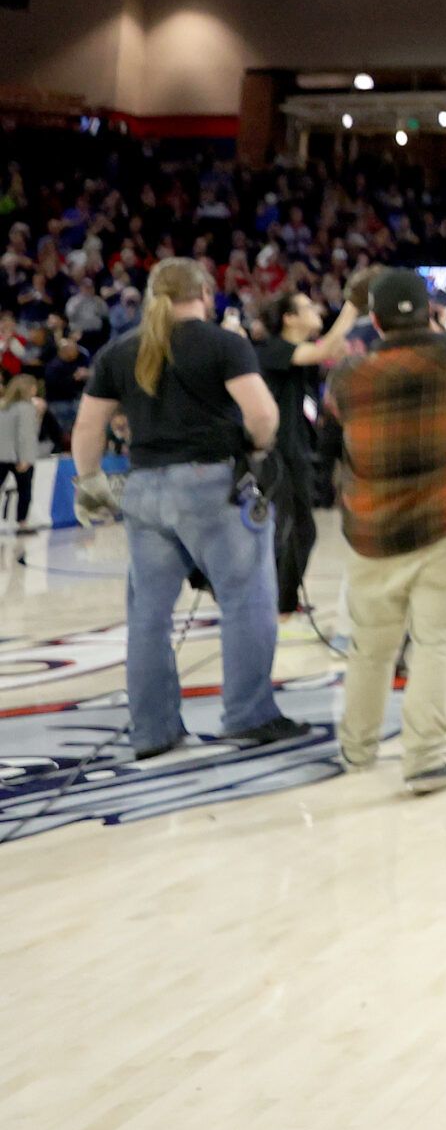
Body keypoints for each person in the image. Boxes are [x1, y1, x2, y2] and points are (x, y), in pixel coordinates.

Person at [71, 257, 305, 758]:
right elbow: (263, 413)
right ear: (205, 291)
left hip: (144, 489)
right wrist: (257, 449)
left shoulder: (120, 351)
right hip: (210, 484)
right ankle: (249, 714)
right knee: (246, 601)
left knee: (148, 617)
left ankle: (153, 730)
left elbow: (88, 429)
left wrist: (91, 488)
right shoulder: (223, 344)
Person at [325, 270, 446, 795]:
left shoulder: (348, 375)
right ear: (431, 311)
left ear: (376, 320)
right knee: (437, 644)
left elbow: (330, 433)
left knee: (370, 648)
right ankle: (425, 760)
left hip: (371, 530)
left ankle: (356, 749)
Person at [255, 288, 359, 621]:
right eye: (306, 307)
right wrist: (353, 306)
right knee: (293, 528)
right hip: (279, 451)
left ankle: (283, 599)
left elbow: (329, 352)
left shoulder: (297, 351)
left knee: (301, 529)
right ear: (289, 318)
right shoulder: (273, 349)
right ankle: (278, 604)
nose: (315, 309)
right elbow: (324, 349)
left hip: (298, 446)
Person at [0, 374, 40, 533]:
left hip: (2, 455)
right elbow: (26, 435)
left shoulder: (3, 406)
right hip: (19, 456)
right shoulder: (26, 408)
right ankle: (22, 523)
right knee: (25, 490)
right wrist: (25, 458)